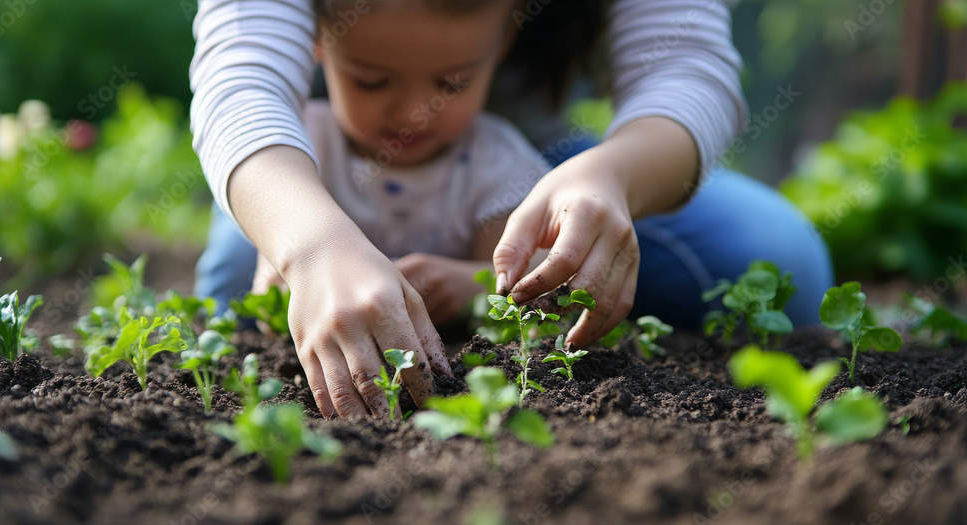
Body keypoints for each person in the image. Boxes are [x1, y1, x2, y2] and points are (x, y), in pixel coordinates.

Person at [189, 0, 834, 419]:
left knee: (781, 260)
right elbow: (238, 81)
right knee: (242, 269)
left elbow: (689, 66)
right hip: (301, 144)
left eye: (449, 82)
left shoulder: (499, 153)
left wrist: (610, 176)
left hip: (524, 144)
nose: (415, 111)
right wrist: (310, 244)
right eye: (375, 79)